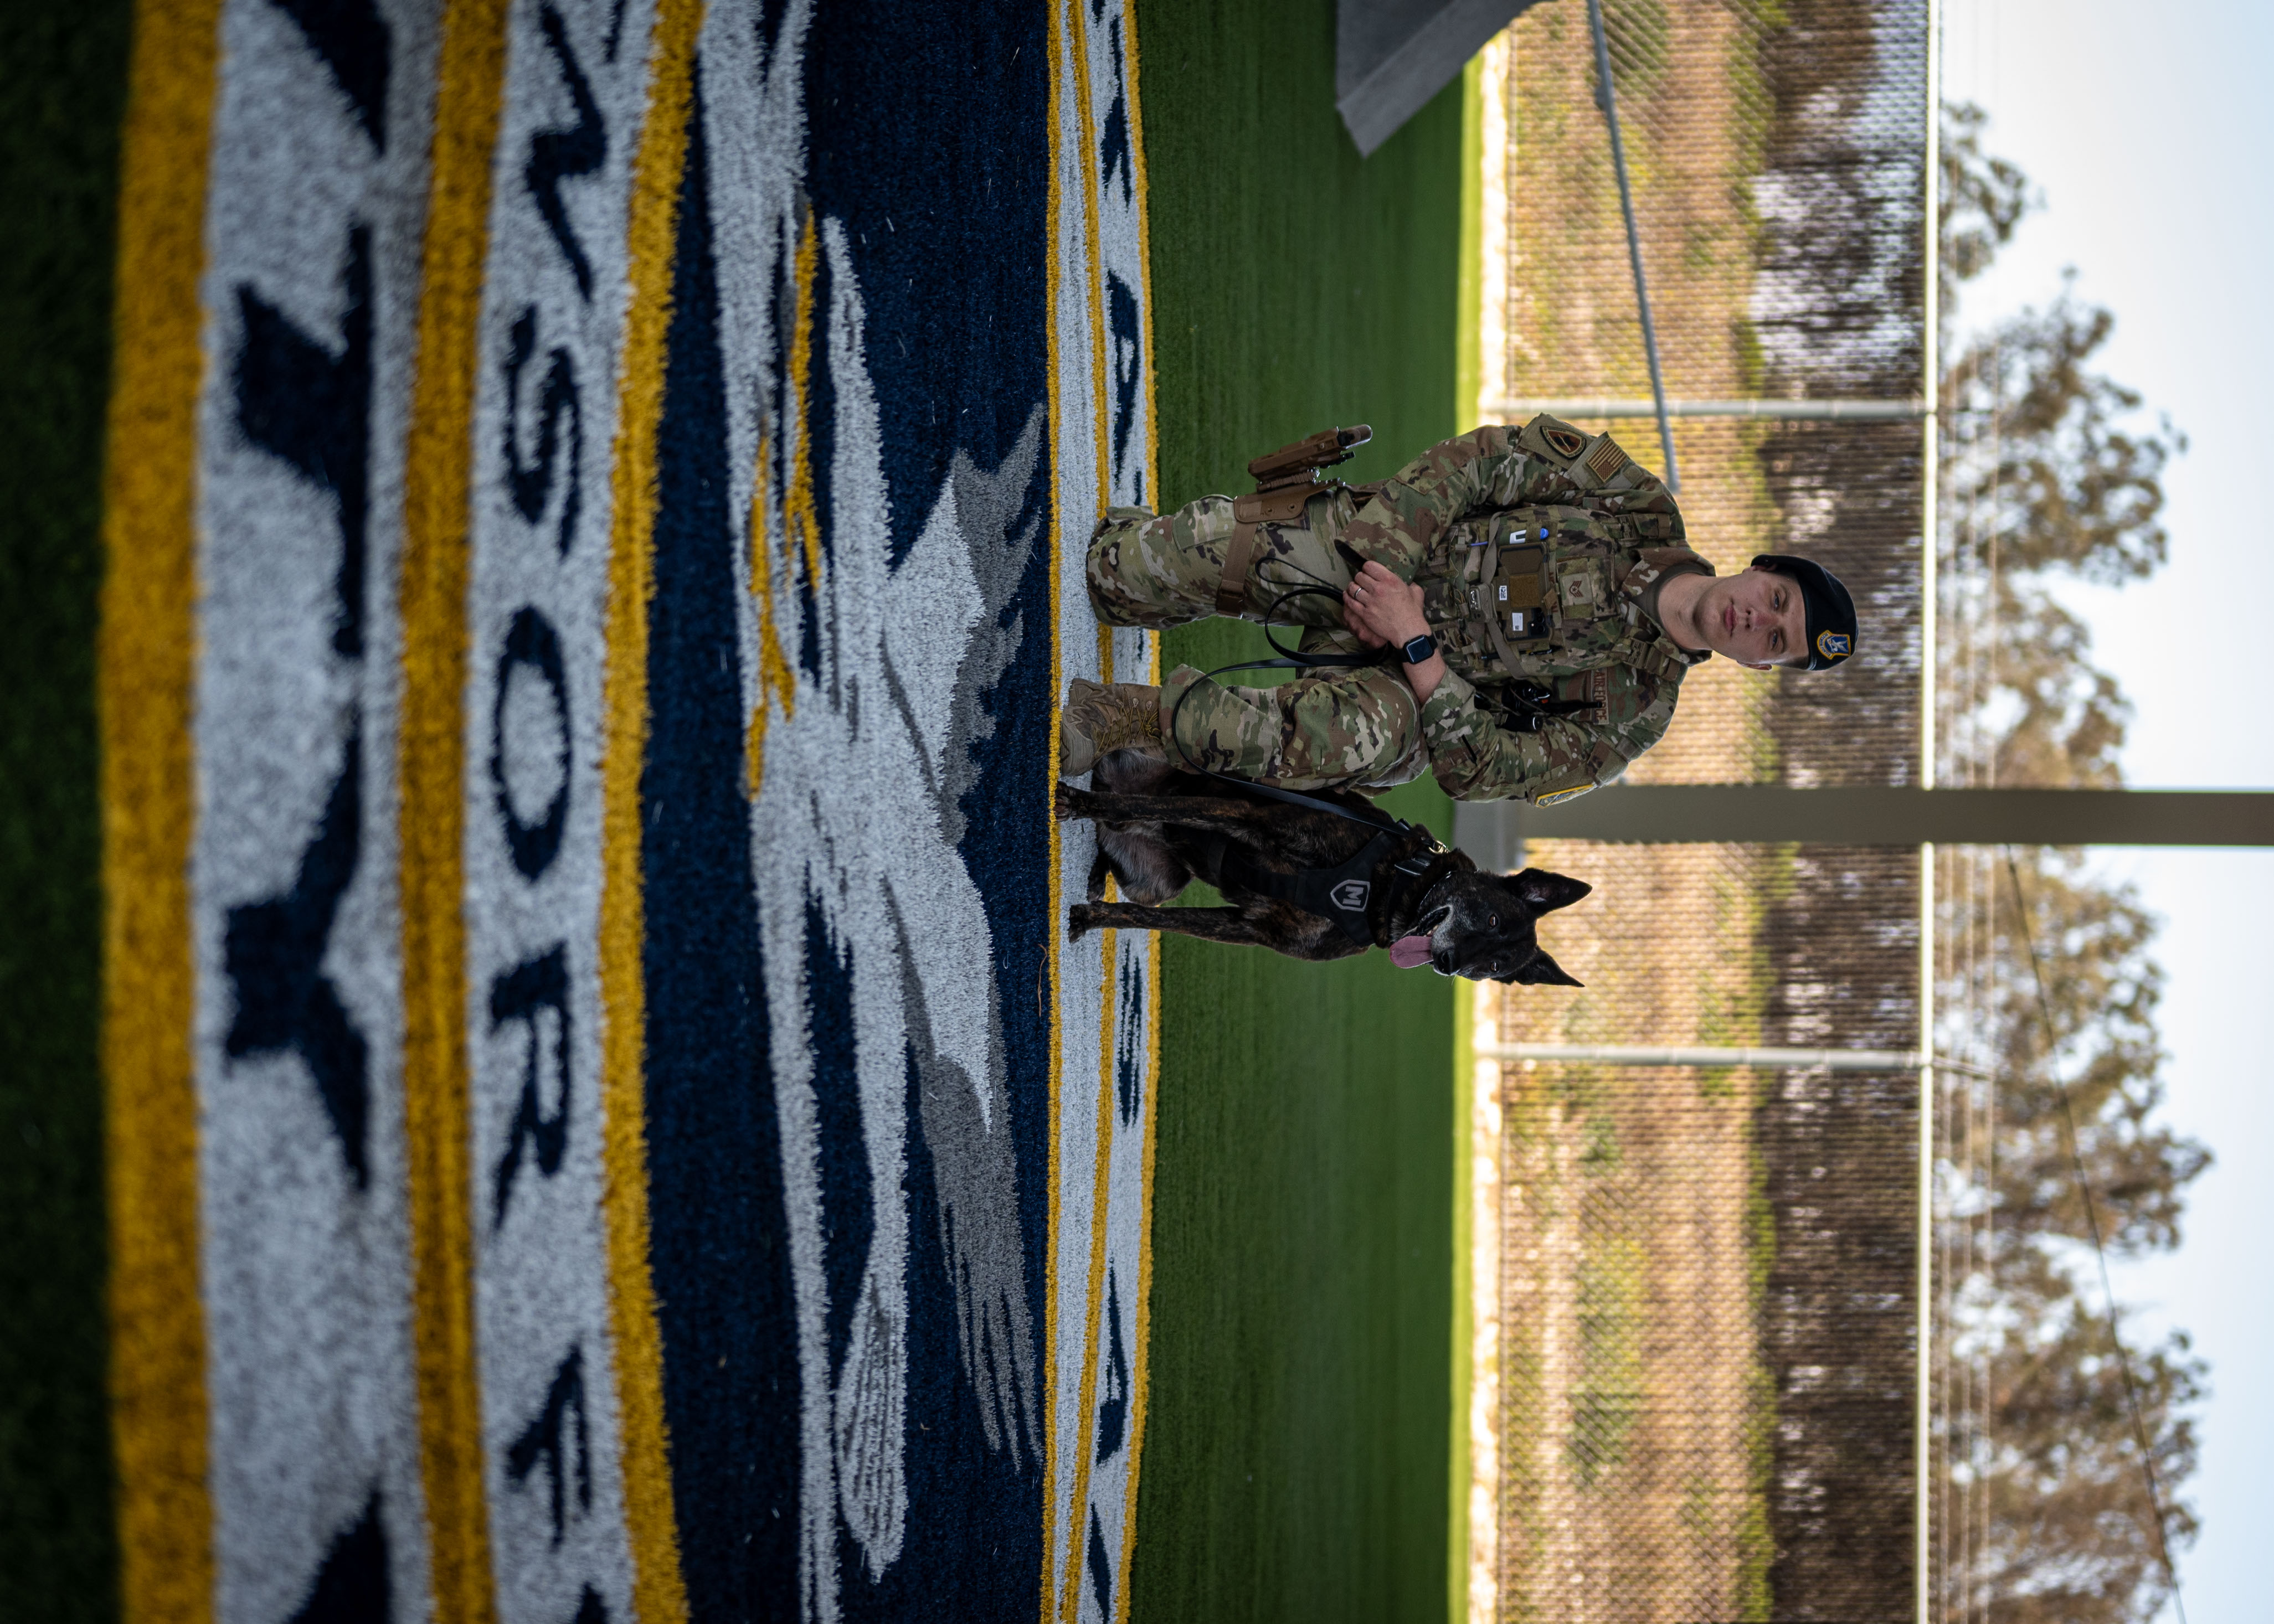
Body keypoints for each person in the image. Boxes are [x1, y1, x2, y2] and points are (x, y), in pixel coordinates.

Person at [1059, 413, 1859, 805]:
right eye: (1775, 601)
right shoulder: (1634, 502)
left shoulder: (1634, 714)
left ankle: (1128, 718)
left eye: (1776, 642)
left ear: (1761, 665)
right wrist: (1390, 568)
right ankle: (1162, 564)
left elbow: (1484, 770)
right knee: (1112, 575)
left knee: (1333, 741)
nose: (1758, 621)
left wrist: (1415, 650)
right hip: (1378, 556)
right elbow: (1485, 461)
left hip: (1409, 690)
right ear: (1760, 567)